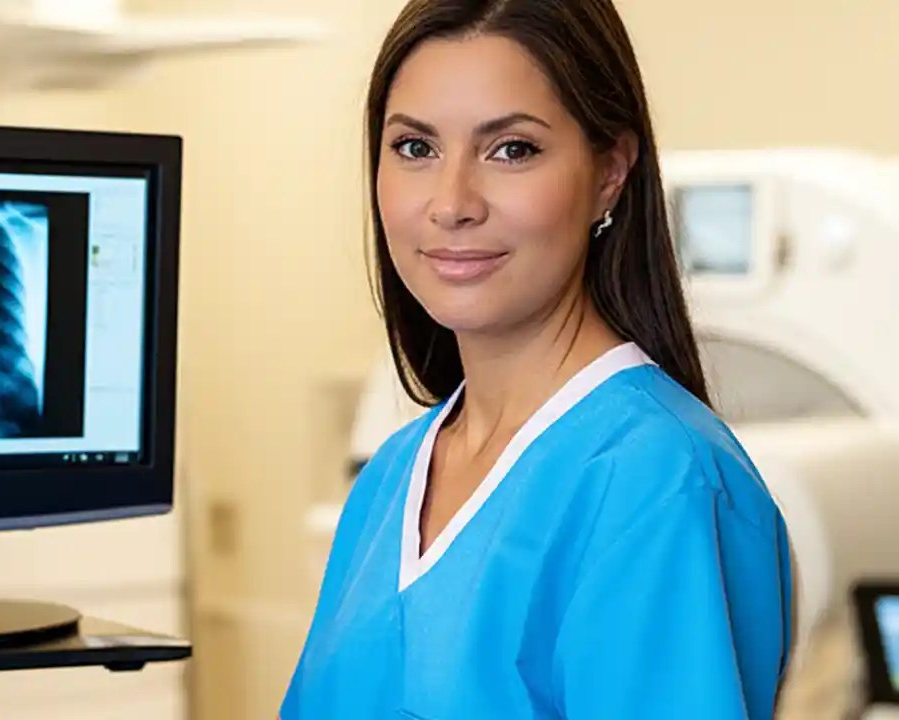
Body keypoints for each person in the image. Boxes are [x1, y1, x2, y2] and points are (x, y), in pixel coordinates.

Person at [281, 0, 793, 717]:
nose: (451, 203)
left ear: (610, 172)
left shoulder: (656, 481)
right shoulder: (393, 477)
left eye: (511, 149)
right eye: (416, 148)